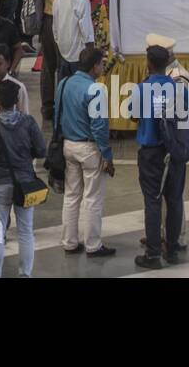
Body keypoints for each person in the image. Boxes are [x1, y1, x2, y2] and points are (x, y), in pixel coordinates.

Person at [0, 78, 47, 278]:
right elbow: (41, 150)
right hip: (25, 184)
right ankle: (25, 274)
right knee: (26, 232)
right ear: (16, 100)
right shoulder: (29, 123)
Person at [56, 46, 115, 258]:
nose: (102, 67)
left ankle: (70, 242)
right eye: (101, 63)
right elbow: (99, 126)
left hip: (68, 145)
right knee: (92, 198)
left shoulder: (64, 83)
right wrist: (107, 155)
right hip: (89, 148)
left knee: (71, 196)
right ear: (94, 66)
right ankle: (93, 244)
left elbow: (57, 115)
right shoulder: (96, 89)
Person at [135, 37, 187, 269]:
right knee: (174, 201)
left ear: (148, 63)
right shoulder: (180, 88)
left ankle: (153, 254)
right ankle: (172, 250)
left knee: (153, 202)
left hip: (151, 153)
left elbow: (133, 115)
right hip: (175, 152)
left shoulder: (143, 88)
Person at [27, 0, 76, 121]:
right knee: (65, 64)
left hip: (46, 21)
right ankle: (63, 105)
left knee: (48, 64)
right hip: (64, 22)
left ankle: (47, 107)